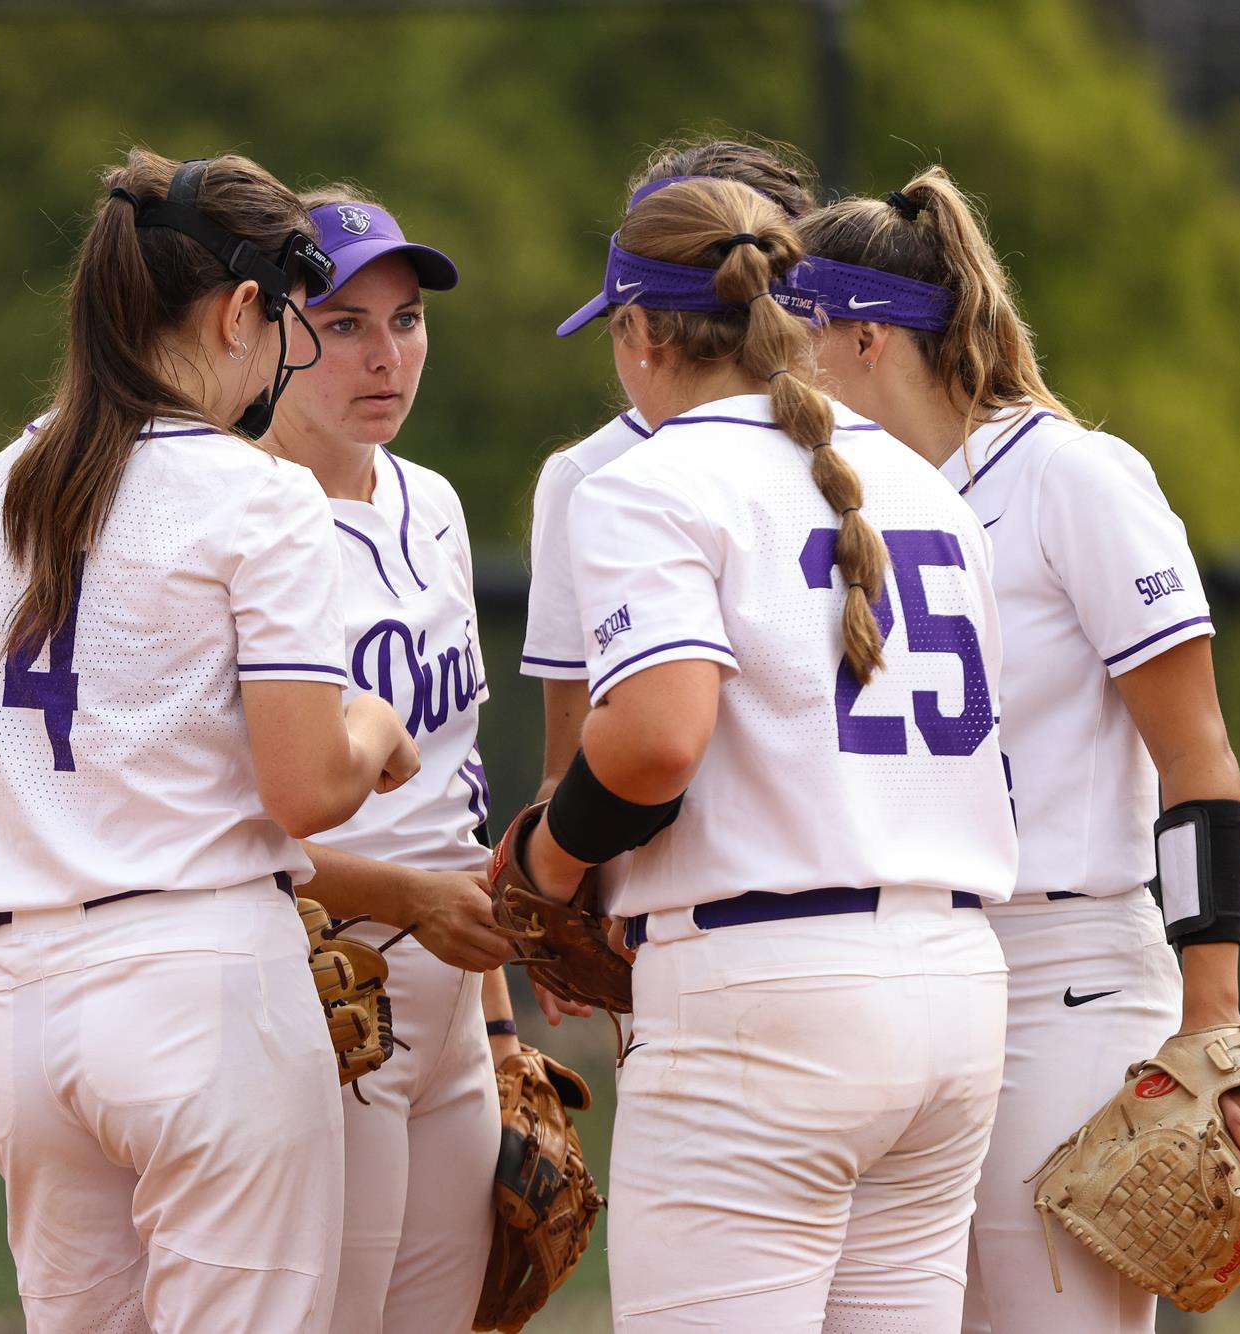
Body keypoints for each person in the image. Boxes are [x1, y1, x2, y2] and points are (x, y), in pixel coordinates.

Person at [0, 149, 420, 1334]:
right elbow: (307, 786)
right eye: (287, 327)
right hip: (204, 984)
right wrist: (373, 724)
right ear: (241, 310)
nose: (281, 361)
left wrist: (47, 867)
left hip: (32, 1003)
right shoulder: (256, 494)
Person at [509, 175, 1018, 1331]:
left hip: (766, 997)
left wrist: (546, 863)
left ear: (638, 333)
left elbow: (651, 739)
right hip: (951, 986)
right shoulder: (918, 483)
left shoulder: (648, 481)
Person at [796, 168, 1240, 1334]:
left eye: (790, 331)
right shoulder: (847, 502)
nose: (771, 363)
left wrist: (1211, 1010)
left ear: (860, 337)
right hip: (920, 970)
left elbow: (1196, 755)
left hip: (1072, 968)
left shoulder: (1068, 475)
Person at [262, 186, 517, 1334]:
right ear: (269, 327)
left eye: (405, 318)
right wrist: (407, 899)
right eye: (345, 321)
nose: (386, 354)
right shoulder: (240, 516)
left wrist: (501, 1026)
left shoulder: (437, 502)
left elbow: (457, 788)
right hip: (324, 979)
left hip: (452, 991)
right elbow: (231, 821)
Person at [519, 135, 819, 1026]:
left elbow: (638, 743)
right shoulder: (897, 465)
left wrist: (546, 880)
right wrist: (567, 914)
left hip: (730, 936)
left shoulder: (630, 482)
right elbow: (572, 748)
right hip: (927, 940)